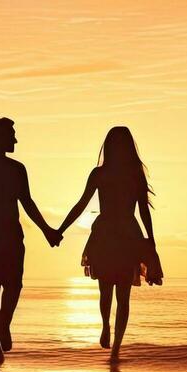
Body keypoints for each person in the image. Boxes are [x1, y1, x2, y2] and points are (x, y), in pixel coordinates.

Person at [0, 117, 60, 361]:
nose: (15, 140)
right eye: (11, 135)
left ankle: (3, 325)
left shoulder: (17, 169)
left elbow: (27, 202)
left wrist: (47, 230)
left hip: (12, 237)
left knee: (14, 286)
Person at [55, 126, 162, 354]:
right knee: (120, 295)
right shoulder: (130, 174)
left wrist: (60, 230)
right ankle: (113, 340)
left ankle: (109, 333)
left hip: (108, 234)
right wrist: (150, 241)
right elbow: (143, 211)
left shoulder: (102, 173)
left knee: (109, 291)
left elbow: (82, 204)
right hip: (124, 234)